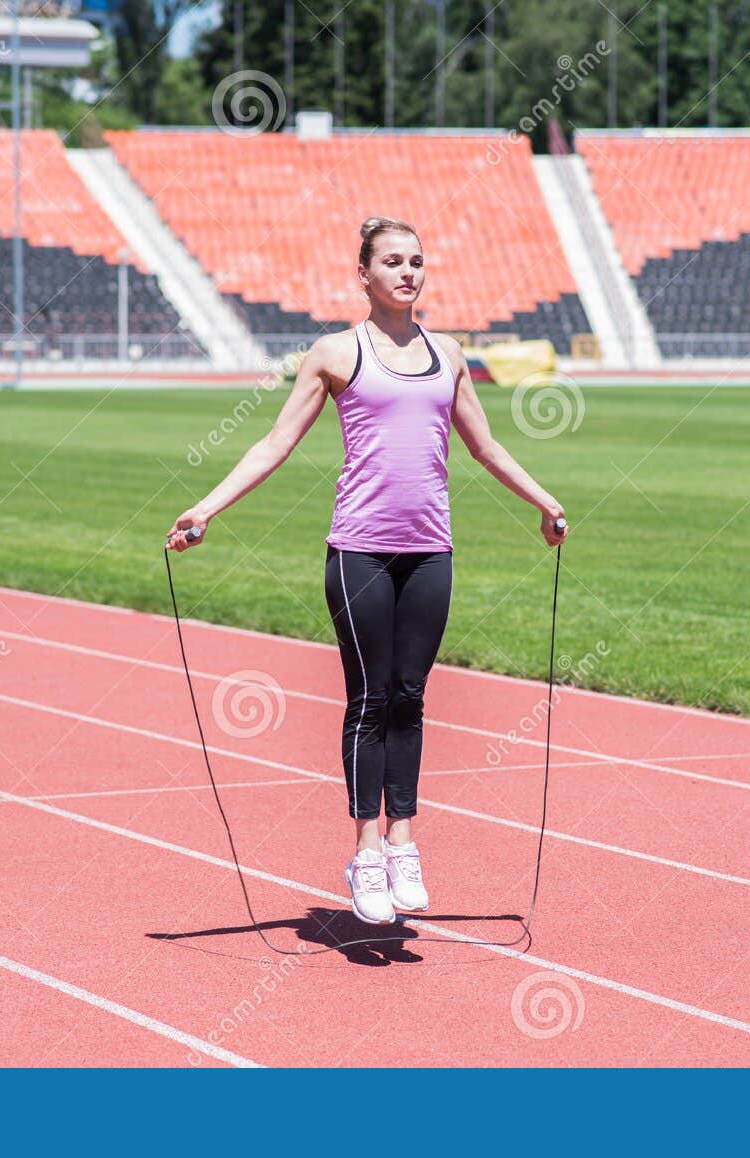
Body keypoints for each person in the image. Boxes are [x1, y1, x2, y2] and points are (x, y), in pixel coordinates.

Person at [167, 215, 567, 925]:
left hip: (430, 553)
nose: (407, 272)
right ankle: (365, 855)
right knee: (370, 700)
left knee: (411, 696)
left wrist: (544, 502)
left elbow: (486, 448)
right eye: (392, 261)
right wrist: (205, 509)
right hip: (359, 552)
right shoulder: (335, 352)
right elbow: (273, 445)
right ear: (364, 275)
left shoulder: (448, 354)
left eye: (416, 261)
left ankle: (403, 842)